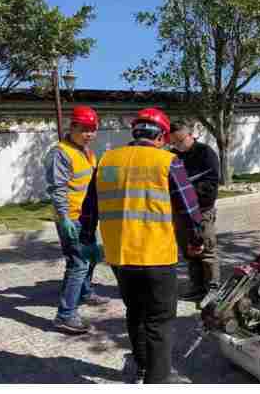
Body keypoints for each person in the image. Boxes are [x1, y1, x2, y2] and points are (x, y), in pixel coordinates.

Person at [80, 107, 204, 383]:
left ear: (135, 132)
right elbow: (189, 209)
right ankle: (157, 380)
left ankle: (142, 367)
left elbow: (89, 208)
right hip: (156, 256)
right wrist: (196, 242)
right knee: (159, 321)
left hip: (119, 257)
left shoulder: (107, 161)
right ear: (161, 136)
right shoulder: (167, 161)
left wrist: (86, 238)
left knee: (135, 313)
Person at [44, 105, 110, 334]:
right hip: (72, 218)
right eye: (85, 129)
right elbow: (58, 188)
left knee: (90, 256)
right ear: (72, 127)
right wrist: (64, 218)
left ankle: (85, 292)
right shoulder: (60, 153)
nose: (89, 134)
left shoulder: (87, 151)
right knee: (78, 263)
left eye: (93, 129)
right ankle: (65, 315)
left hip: (88, 215)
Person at [169, 119, 221, 303]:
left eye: (180, 140)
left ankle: (213, 288)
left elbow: (212, 183)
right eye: (173, 142)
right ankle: (197, 286)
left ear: (190, 135)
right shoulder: (173, 155)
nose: (177, 145)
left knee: (206, 249)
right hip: (180, 214)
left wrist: (189, 194)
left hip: (202, 211)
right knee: (190, 251)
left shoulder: (205, 153)